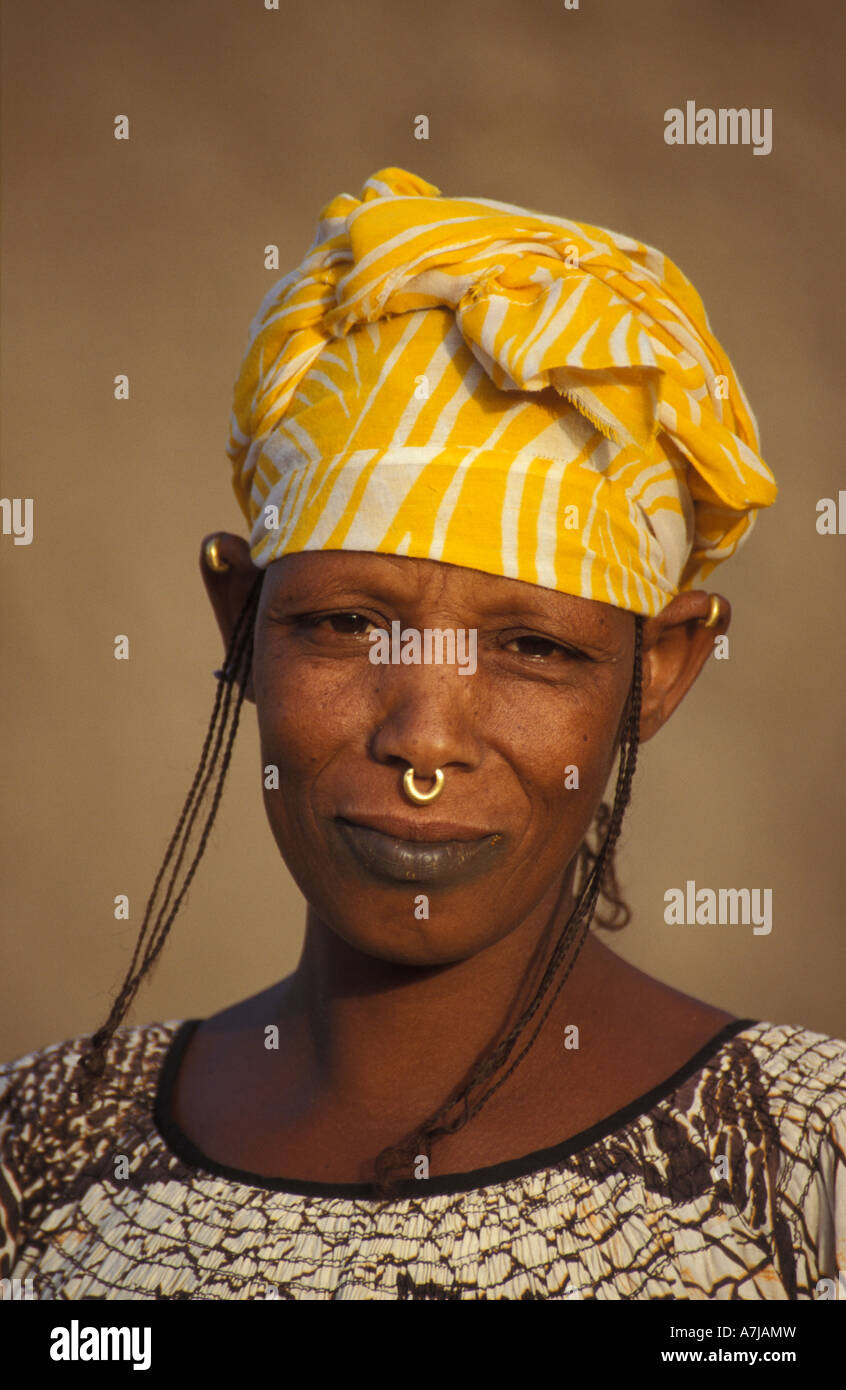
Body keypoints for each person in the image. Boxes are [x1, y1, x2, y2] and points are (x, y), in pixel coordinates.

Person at [1, 166, 844, 1302]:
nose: (424, 737)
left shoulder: (808, 1174)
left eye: (533, 647)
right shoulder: (36, 1167)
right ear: (241, 624)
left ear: (664, 668)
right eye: (348, 625)